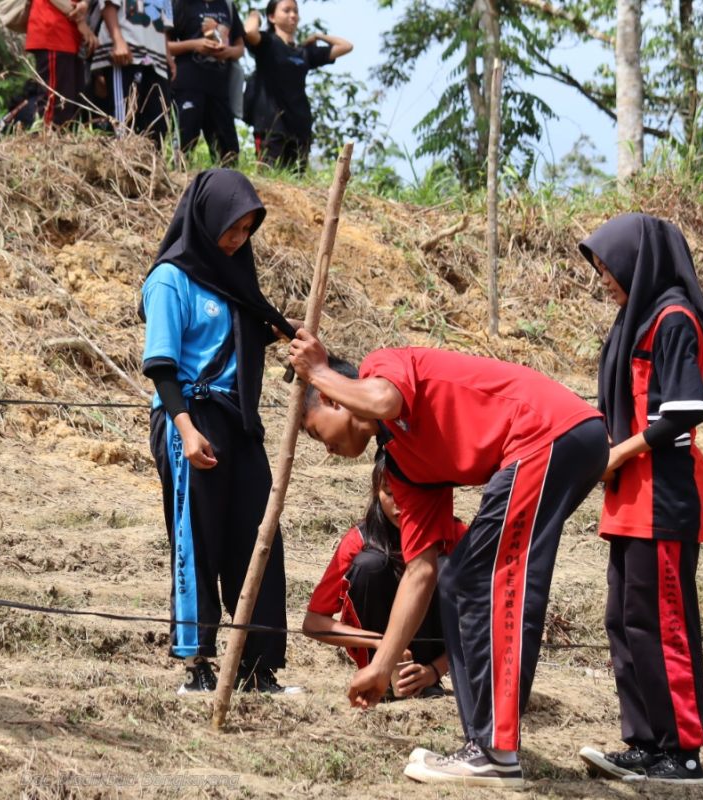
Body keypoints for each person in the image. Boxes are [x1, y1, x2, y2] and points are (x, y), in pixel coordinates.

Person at [288, 333, 608, 788]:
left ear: (335, 401)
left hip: (549, 433)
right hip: (555, 444)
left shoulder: (382, 364)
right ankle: (486, 746)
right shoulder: (404, 466)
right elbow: (422, 572)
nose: (325, 447)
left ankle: (494, 751)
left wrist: (317, 371)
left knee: (485, 579)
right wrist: (382, 666)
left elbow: (380, 398)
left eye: (315, 431)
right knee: (458, 579)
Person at [575, 214, 703, 787]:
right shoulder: (632, 322)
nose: (604, 279)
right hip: (629, 498)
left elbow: (685, 413)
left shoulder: (674, 318)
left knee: (665, 626)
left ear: (640, 263)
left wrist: (615, 453)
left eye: (610, 269)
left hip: (664, 498)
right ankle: (645, 743)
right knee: (626, 620)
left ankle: (682, 753)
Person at [141, 169, 298, 694]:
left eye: (248, 230)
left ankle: (258, 666)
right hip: (192, 418)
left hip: (239, 422)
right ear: (207, 220)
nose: (238, 240)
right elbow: (163, 365)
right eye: (232, 228)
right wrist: (184, 429)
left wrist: (279, 333)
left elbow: (240, 339)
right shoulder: (170, 280)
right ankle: (198, 664)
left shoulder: (235, 281)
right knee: (198, 538)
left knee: (257, 537)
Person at [303, 451, 452, 700]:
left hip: (431, 665)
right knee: (371, 564)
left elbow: (485, 623)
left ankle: (424, 682)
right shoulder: (358, 540)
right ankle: (379, 676)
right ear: (376, 492)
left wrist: (434, 671)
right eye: (389, 493)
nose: (400, 504)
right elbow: (313, 622)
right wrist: (381, 645)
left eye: (408, 494)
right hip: (374, 657)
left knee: (446, 567)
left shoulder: (453, 536)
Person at [243, 0, 351, 172]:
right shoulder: (267, 43)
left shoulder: (304, 52)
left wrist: (318, 37)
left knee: (296, 181)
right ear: (272, 16)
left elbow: (346, 46)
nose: (293, 15)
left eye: (295, 11)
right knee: (266, 174)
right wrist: (256, 14)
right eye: (286, 10)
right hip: (270, 124)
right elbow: (249, 31)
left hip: (300, 126)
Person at [167, 0, 245, 164]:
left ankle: (228, 186)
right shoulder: (180, 4)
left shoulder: (227, 6)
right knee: (184, 140)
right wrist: (196, 45)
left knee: (227, 149)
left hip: (219, 86)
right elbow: (165, 45)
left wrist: (227, 52)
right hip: (187, 82)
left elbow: (240, 48)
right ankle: (180, 179)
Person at [90, 0, 172, 144]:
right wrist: (118, 40)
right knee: (123, 123)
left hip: (156, 57)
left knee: (157, 125)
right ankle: (120, 164)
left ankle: (150, 165)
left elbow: (162, 22)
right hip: (126, 51)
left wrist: (168, 55)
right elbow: (108, 4)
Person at [25, 0, 99, 128]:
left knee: (72, 107)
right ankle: (47, 145)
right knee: (55, 106)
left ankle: (62, 144)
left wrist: (85, 4)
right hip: (53, 30)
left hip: (71, 35)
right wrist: (80, 20)